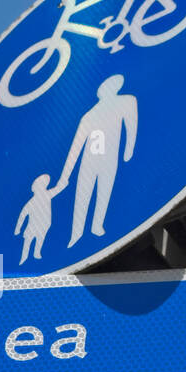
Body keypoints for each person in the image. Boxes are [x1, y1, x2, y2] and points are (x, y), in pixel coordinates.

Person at [52, 74, 137, 247]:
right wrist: (65, 176)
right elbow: (75, 148)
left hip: (109, 158)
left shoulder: (126, 101)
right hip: (88, 161)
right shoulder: (88, 116)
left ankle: (97, 226)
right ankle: (76, 233)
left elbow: (131, 126)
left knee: (104, 191)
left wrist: (128, 150)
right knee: (82, 195)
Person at [14, 173, 61, 264]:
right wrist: (18, 229)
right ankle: (24, 257)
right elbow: (22, 215)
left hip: (44, 225)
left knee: (40, 239)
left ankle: (36, 253)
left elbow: (59, 188)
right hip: (32, 226)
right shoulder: (31, 202)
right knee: (28, 241)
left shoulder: (48, 194)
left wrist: (63, 182)